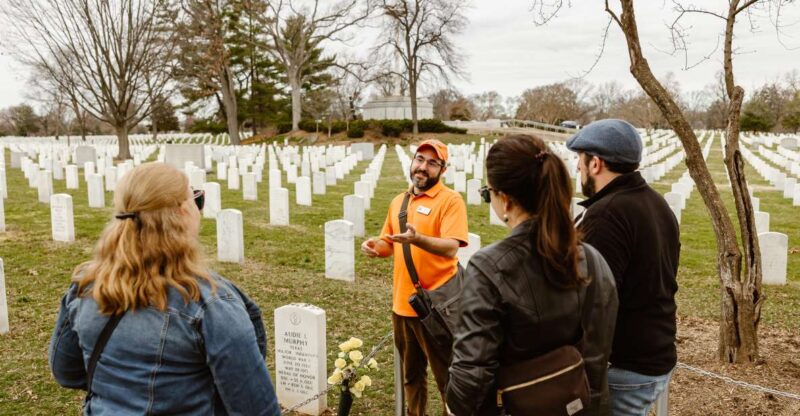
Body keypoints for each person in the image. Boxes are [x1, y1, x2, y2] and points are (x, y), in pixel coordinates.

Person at [48, 162, 280, 415]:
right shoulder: (211, 303)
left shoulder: (86, 286)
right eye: (196, 200)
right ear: (182, 212)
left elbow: (67, 371)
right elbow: (255, 407)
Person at [446, 134, 619, 416]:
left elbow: (471, 378)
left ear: (505, 200)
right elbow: (599, 354)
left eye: (487, 193)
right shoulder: (593, 258)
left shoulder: (488, 268)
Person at [567, 119, 681, 416]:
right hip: (656, 353)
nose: (577, 168)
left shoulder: (606, 215)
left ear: (595, 163)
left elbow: (592, 302)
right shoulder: (656, 203)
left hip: (625, 366)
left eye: (579, 159)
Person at [361, 139, 469, 416]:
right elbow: (390, 242)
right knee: (411, 377)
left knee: (447, 377)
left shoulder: (450, 201)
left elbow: (451, 247)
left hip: (437, 306)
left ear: (442, 170)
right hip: (402, 305)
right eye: (420, 159)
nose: (423, 167)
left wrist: (418, 239)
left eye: (432, 163)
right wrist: (376, 246)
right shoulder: (399, 201)